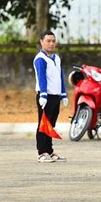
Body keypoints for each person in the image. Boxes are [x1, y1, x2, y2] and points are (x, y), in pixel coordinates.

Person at [33, 30, 68, 162]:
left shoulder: (56, 58)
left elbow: (60, 77)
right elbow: (42, 78)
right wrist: (43, 95)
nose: (51, 43)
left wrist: (63, 94)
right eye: (48, 41)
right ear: (41, 42)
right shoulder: (40, 59)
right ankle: (42, 152)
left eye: (53, 41)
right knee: (43, 124)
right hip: (45, 96)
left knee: (51, 124)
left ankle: (50, 150)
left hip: (55, 95)